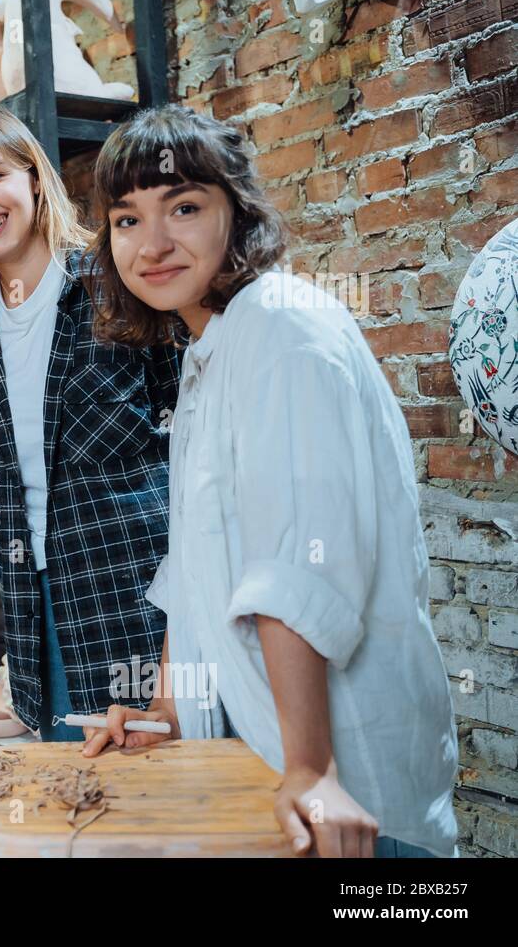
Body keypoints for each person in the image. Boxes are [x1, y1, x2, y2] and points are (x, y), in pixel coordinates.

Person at [80, 104, 458, 859]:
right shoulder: (211, 350)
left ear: (238, 213)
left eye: (183, 208)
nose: (152, 243)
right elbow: (196, 579)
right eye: (127, 219)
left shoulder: (282, 329)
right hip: (260, 769)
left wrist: (311, 768)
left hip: (344, 797)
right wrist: (163, 710)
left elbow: (298, 567)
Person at [0, 104, 179, 741]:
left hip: (148, 597)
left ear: (35, 178)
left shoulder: (119, 286)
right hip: (36, 604)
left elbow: (192, 448)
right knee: (72, 795)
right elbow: (10, 490)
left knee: (157, 802)